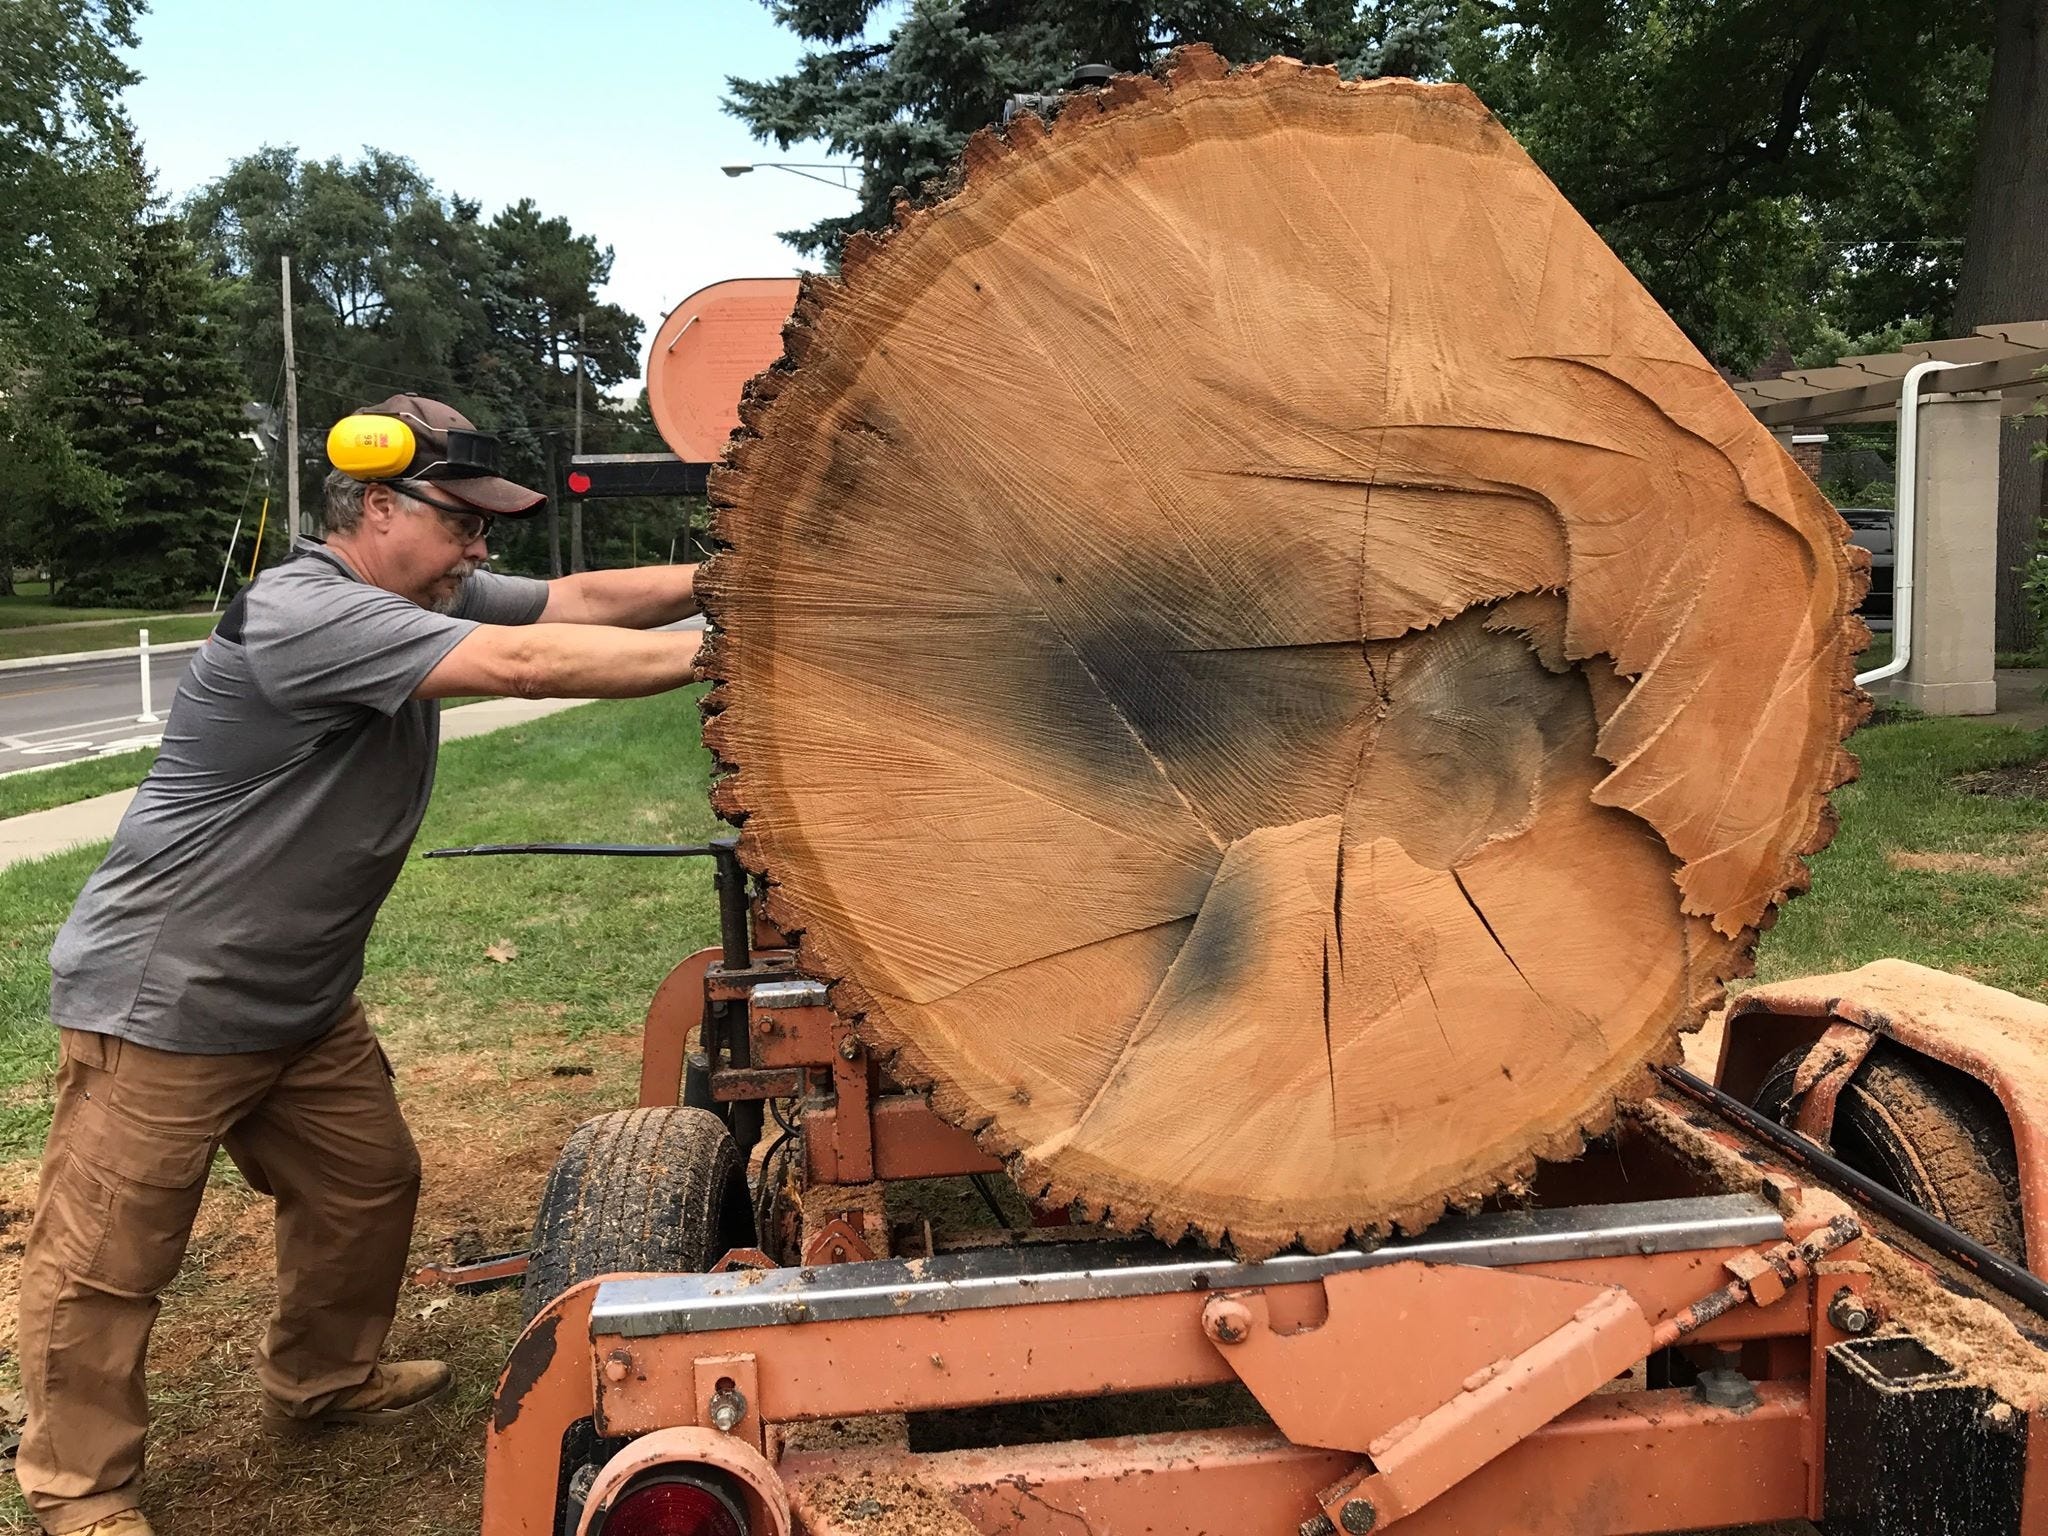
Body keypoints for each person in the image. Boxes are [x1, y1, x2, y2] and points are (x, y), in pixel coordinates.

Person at [14, 396, 707, 1536]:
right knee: (105, 1259)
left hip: (299, 997)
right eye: (463, 523)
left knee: (364, 1189)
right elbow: (532, 659)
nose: (481, 550)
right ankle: (79, 1489)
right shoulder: (307, 612)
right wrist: (743, 641)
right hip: (167, 995)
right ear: (376, 506)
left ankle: (322, 1381)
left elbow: (580, 601)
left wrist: (715, 583)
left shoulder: (415, 587)